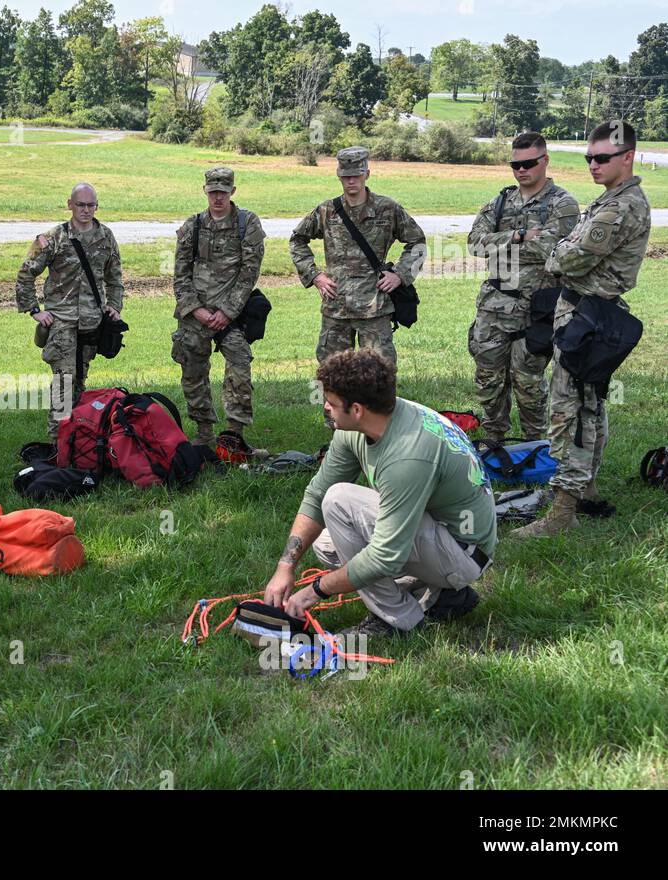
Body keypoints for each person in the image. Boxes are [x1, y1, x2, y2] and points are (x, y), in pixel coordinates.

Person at [262, 349, 497, 637]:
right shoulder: (366, 422)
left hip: (463, 553)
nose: (324, 406)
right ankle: (440, 594)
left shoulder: (408, 457)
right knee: (326, 542)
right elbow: (316, 494)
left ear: (357, 409)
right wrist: (285, 566)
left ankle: (396, 619)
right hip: (438, 533)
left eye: (331, 402)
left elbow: (386, 556)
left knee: (340, 502)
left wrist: (313, 593)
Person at [515, 121, 652, 538]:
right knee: (590, 405)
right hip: (590, 314)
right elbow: (569, 249)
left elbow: (566, 261)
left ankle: (562, 511)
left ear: (627, 157)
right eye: (588, 157)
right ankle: (586, 489)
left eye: (602, 158)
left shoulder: (620, 207)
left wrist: (557, 250)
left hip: (587, 316)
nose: (592, 164)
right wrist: (564, 248)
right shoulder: (611, 199)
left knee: (570, 412)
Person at [467, 132, 579, 443]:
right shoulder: (500, 201)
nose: (521, 170)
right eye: (515, 164)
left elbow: (551, 249)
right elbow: (475, 244)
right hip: (493, 306)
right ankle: (494, 441)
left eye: (528, 163)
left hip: (536, 309)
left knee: (528, 383)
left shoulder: (563, 204)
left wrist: (501, 244)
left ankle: (535, 443)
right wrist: (517, 236)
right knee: (488, 380)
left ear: (545, 161)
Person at [289, 147, 426, 370]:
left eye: (356, 175)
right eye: (346, 176)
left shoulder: (387, 209)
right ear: (339, 176)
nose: (351, 180)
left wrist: (400, 275)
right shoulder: (327, 211)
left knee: (379, 374)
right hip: (336, 308)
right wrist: (315, 276)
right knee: (333, 376)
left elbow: (417, 243)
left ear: (367, 174)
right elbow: (297, 240)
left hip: (375, 308)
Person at [16, 182, 125, 437]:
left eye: (91, 205)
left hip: (91, 323)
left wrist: (114, 307)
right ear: (69, 204)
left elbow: (115, 278)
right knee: (63, 384)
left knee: (79, 383)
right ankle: (58, 446)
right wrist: (34, 310)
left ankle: (77, 440)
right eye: (80, 205)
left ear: (97, 206)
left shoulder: (106, 237)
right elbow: (25, 274)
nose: (86, 210)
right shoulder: (53, 238)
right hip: (61, 323)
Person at [171, 167, 267, 451]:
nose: (218, 198)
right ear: (205, 191)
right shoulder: (193, 226)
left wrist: (227, 311)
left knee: (239, 368)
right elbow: (180, 276)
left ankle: (233, 436)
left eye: (223, 192)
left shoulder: (246, 223)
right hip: (196, 314)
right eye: (213, 192)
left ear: (232, 192)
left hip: (232, 315)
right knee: (192, 371)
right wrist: (196, 310)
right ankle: (203, 434)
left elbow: (250, 272)